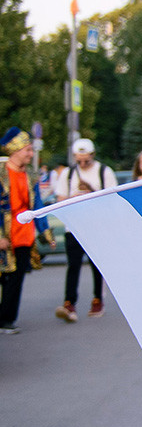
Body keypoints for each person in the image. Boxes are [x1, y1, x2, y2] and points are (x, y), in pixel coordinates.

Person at [53, 138, 118, 321]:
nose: (82, 163)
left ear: (92, 155)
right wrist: (72, 198)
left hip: (96, 227)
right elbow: (60, 198)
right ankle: (69, 303)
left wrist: (90, 192)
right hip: (73, 227)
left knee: (96, 265)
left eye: (86, 159)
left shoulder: (103, 171)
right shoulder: (68, 173)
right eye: (78, 159)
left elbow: (112, 199)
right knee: (73, 265)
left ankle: (97, 299)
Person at [1, 128, 55, 333]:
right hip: (4, 236)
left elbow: (37, 207)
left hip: (23, 237)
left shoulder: (30, 175)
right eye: (27, 150)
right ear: (15, 150)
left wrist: (45, 233)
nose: (31, 154)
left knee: (16, 280)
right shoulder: (0, 172)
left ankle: (6, 319)